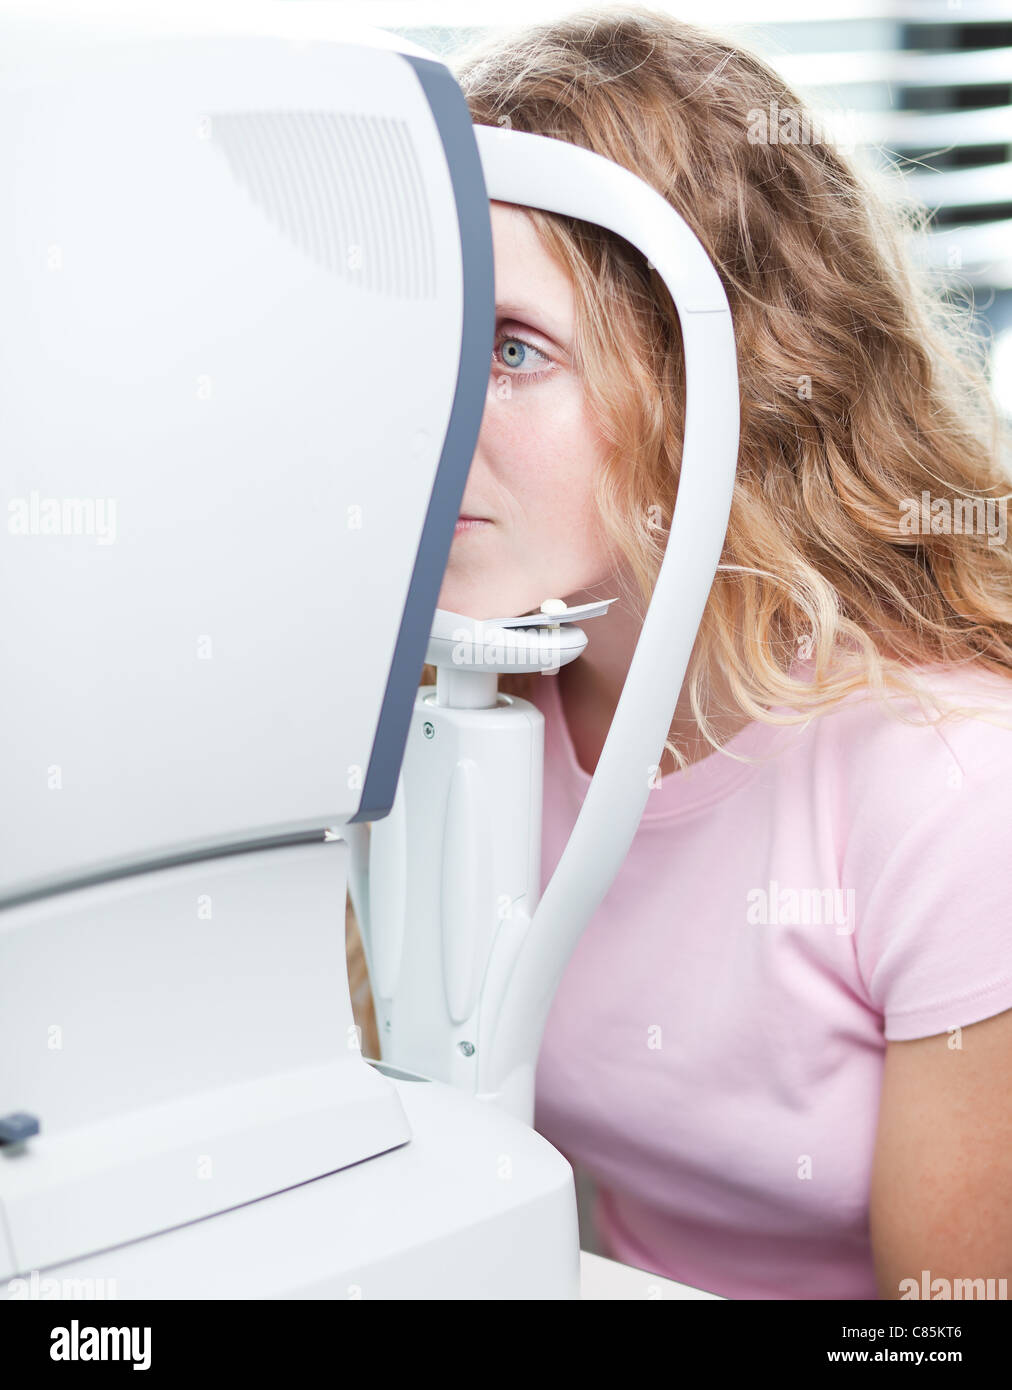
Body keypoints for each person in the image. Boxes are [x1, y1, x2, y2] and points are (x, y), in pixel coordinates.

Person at [347, 5, 1012, 1300]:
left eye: (514, 347)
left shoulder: (952, 793)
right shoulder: (466, 713)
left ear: (726, 375)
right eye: (436, 338)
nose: (439, 413)